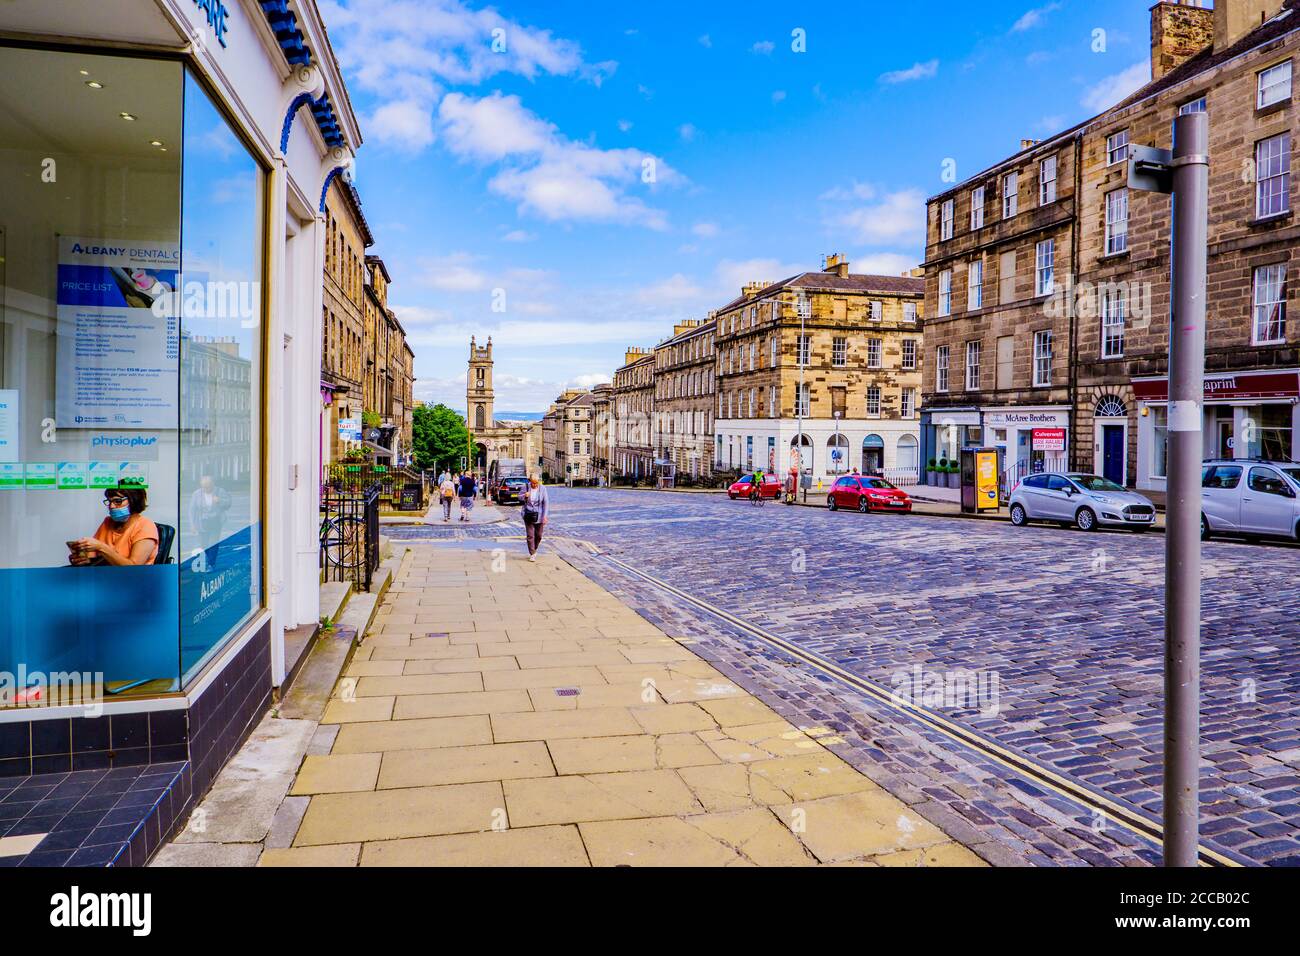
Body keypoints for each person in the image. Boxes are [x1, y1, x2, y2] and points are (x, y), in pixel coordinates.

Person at [70, 487, 160, 567]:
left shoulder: (145, 526)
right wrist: (82, 560)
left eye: (118, 501)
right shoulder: (108, 522)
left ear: (134, 501)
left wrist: (101, 547)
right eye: (109, 501)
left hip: (132, 580)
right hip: (105, 577)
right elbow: (92, 556)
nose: (111, 506)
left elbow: (134, 568)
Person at [189, 475, 231, 565]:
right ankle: (208, 560)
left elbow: (228, 504)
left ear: (212, 484)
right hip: (202, 523)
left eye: (207, 487)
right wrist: (192, 525)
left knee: (213, 544)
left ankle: (211, 563)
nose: (205, 489)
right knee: (203, 544)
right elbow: (192, 511)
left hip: (215, 523)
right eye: (203, 487)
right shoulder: (196, 494)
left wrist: (220, 501)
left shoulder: (220, 491)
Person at [521, 474, 548, 562]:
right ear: (530, 481)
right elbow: (519, 497)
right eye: (533, 483)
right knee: (530, 536)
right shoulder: (525, 487)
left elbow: (546, 503)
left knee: (539, 535)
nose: (535, 485)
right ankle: (532, 553)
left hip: (539, 515)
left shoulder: (543, 489)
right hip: (528, 514)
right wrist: (525, 496)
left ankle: (534, 548)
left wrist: (545, 516)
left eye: (536, 483)